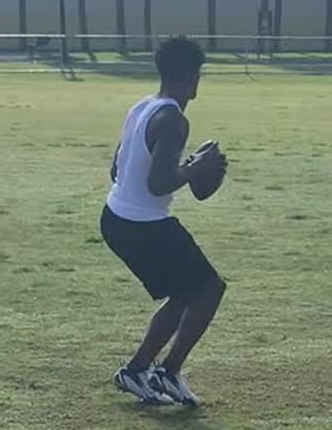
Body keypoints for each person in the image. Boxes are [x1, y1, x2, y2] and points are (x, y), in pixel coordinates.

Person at [99, 36, 229, 406]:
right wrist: (196, 168)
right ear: (192, 76)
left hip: (115, 217)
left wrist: (185, 169)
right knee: (209, 288)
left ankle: (137, 371)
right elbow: (158, 184)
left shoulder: (142, 106)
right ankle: (166, 373)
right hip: (142, 224)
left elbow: (116, 169)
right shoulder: (174, 119)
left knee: (187, 291)